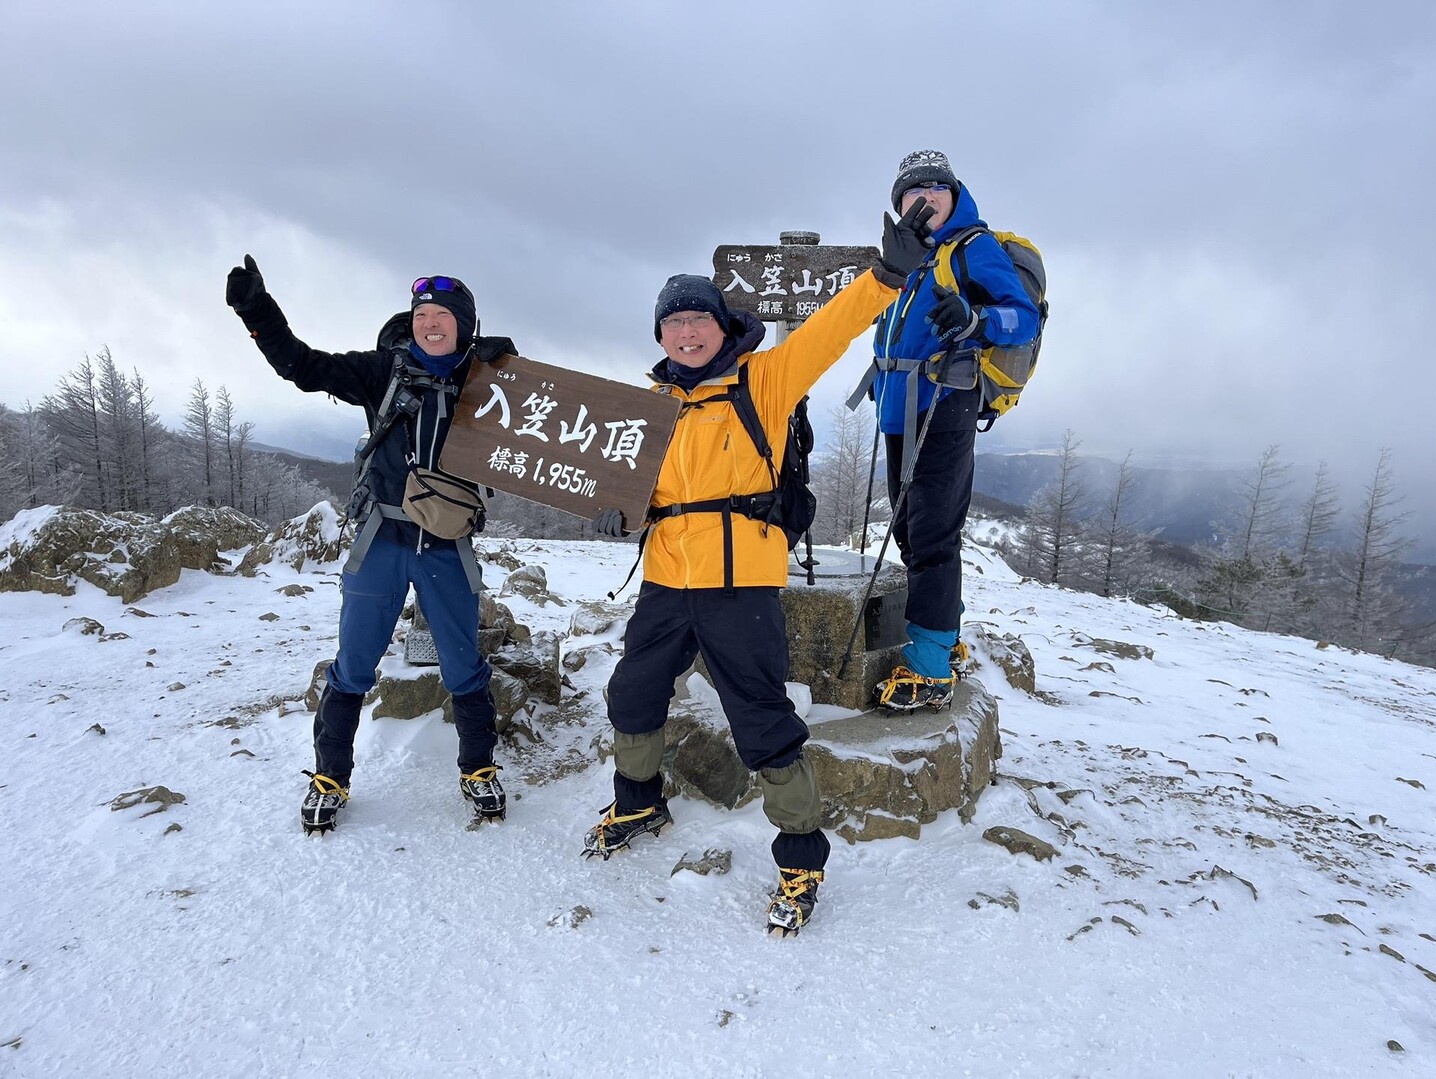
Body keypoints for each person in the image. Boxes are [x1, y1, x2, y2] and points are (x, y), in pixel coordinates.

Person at [583, 201, 937, 935]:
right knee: (633, 690)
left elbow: (828, 332)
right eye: (671, 323)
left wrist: (886, 276)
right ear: (659, 335)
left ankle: (801, 855)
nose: (685, 332)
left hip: (739, 579)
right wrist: (621, 511)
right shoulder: (649, 404)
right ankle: (639, 799)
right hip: (666, 578)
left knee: (760, 718)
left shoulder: (764, 381)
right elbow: (634, 489)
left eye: (697, 320)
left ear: (720, 325)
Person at [225, 257, 515, 833]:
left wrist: (514, 368)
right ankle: (330, 777)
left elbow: (563, 444)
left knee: (462, 663)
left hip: (446, 543)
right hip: (383, 536)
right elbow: (301, 366)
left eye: (443, 316)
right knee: (354, 662)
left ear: (465, 324)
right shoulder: (384, 371)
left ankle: (478, 768)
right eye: (423, 315)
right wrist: (255, 309)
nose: (431, 324)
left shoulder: (491, 381)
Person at [861, 150, 1041, 711]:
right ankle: (945, 636)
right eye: (912, 192)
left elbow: (1023, 319)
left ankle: (931, 664)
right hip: (898, 407)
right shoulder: (907, 258)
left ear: (954, 196)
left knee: (933, 534)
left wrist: (975, 320)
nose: (926, 197)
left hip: (945, 400)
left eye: (937, 188)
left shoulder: (972, 247)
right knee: (913, 532)